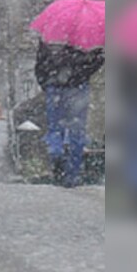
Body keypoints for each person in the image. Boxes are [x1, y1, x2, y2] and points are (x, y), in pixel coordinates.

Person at [34, 41, 104, 187]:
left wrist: (47, 84)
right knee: (77, 132)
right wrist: (94, 62)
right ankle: (72, 174)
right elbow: (93, 64)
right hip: (78, 88)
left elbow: (40, 65)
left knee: (54, 128)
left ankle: (57, 154)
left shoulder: (50, 37)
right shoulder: (85, 38)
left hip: (54, 88)